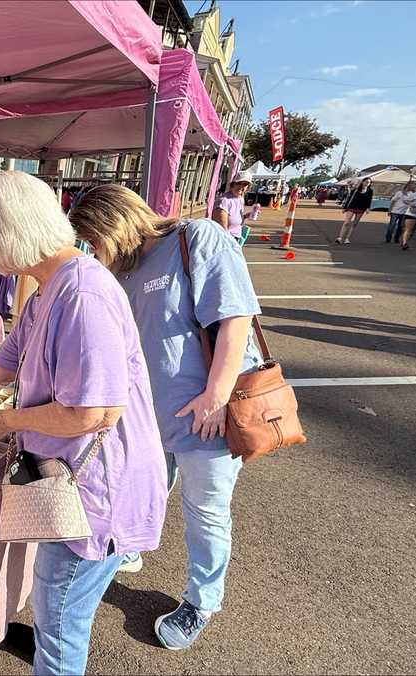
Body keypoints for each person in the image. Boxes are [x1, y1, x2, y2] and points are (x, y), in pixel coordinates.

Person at [0, 171, 167, 675]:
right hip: (70, 478)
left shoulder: (82, 295)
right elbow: (1, 365)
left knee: (59, 631)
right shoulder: (51, 288)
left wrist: (4, 419)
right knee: (60, 616)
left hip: (94, 494)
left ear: (6, 234)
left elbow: (90, 413)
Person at [71, 184, 263, 651]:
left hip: (207, 416)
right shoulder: (125, 267)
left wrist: (216, 396)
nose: (95, 251)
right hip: (152, 415)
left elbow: (235, 317)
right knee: (147, 487)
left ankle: (203, 600)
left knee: (207, 512)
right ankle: (135, 546)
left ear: (113, 223)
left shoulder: (197, 237)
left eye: (95, 240)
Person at [212, 170, 253, 239]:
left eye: (245, 184)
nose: (241, 186)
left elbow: (237, 222)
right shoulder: (224, 201)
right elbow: (221, 229)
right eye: (238, 183)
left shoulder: (240, 199)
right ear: (233, 184)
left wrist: (245, 216)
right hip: (226, 240)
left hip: (236, 237)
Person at [336, 177, 373, 244]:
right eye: (366, 182)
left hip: (361, 208)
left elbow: (369, 200)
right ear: (362, 182)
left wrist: (368, 208)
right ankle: (340, 238)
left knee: (354, 224)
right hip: (352, 207)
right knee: (347, 222)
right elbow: (349, 198)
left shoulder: (370, 191)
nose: (367, 183)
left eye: (369, 182)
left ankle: (347, 239)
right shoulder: (355, 190)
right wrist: (345, 208)